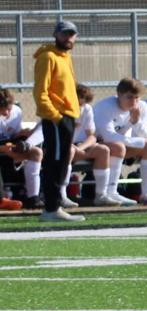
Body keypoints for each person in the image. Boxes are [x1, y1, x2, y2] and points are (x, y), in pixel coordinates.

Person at [31, 19, 84, 221]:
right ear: (56, 34)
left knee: (62, 162)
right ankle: (51, 208)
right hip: (56, 118)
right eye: (64, 34)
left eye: (72, 34)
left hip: (67, 116)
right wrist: (56, 117)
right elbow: (40, 92)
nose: (68, 38)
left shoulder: (65, 57)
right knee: (54, 161)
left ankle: (54, 206)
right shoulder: (48, 57)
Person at [65, 85, 133, 208]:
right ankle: (61, 196)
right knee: (68, 151)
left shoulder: (87, 109)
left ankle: (101, 195)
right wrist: (73, 148)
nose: (79, 107)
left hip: (80, 147)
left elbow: (92, 136)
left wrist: (80, 148)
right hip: (62, 146)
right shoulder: (60, 109)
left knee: (103, 150)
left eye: (82, 103)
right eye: (76, 102)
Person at [93, 78, 147, 205]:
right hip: (96, 143)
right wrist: (141, 142)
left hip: (120, 143)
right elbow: (108, 136)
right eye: (129, 97)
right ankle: (111, 192)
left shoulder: (141, 106)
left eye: (137, 97)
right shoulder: (105, 106)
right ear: (118, 94)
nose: (134, 101)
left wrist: (135, 121)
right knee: (119, 147)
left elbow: (145, 135)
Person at [0, 88, 46, 209]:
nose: (6, 113)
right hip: (2, 148)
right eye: (2, 110)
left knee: (37, 152)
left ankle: (33, 197)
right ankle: (2, 199)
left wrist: (23, 134)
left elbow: (13, 135)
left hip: (11, 145)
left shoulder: (17, 111)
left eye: (8, 109)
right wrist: (3, 149)